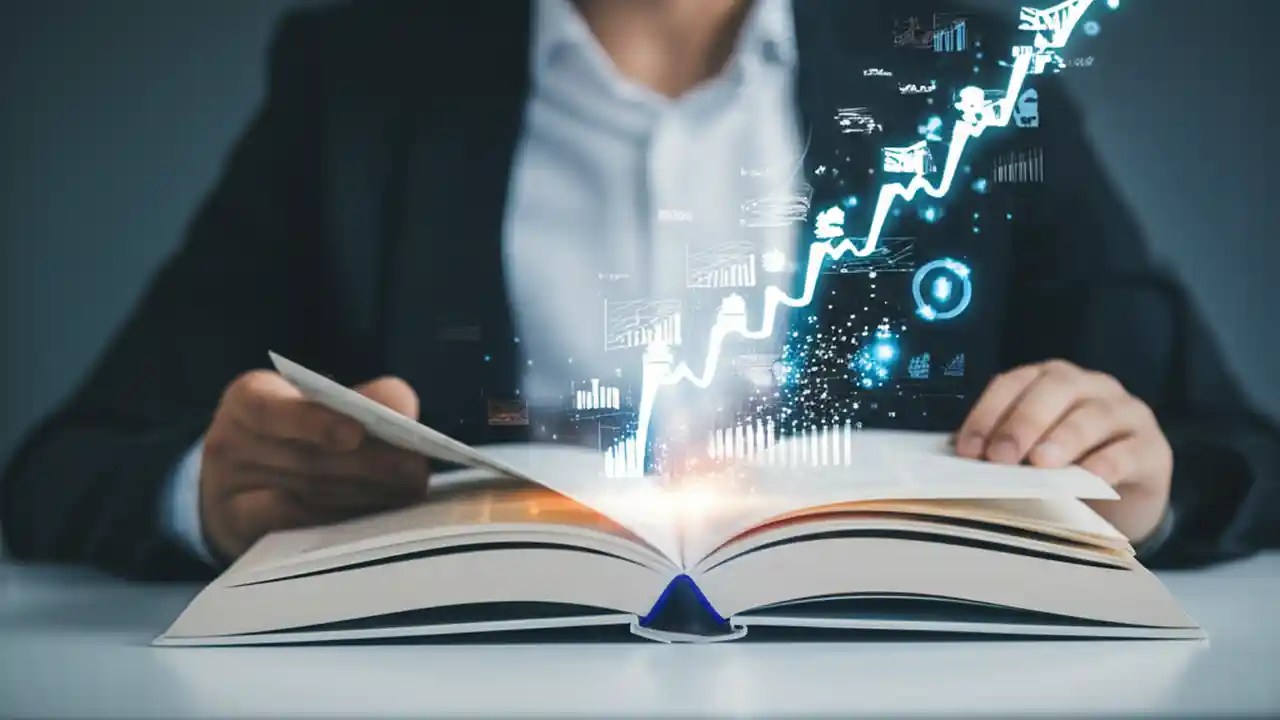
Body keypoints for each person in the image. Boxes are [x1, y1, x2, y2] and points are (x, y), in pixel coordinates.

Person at [2, 0, 1276, 580]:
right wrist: (207, 496)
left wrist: (1144, 483)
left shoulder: (965, 65)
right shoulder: (360, 73)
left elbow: (1236, 451)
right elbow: (68, 465)